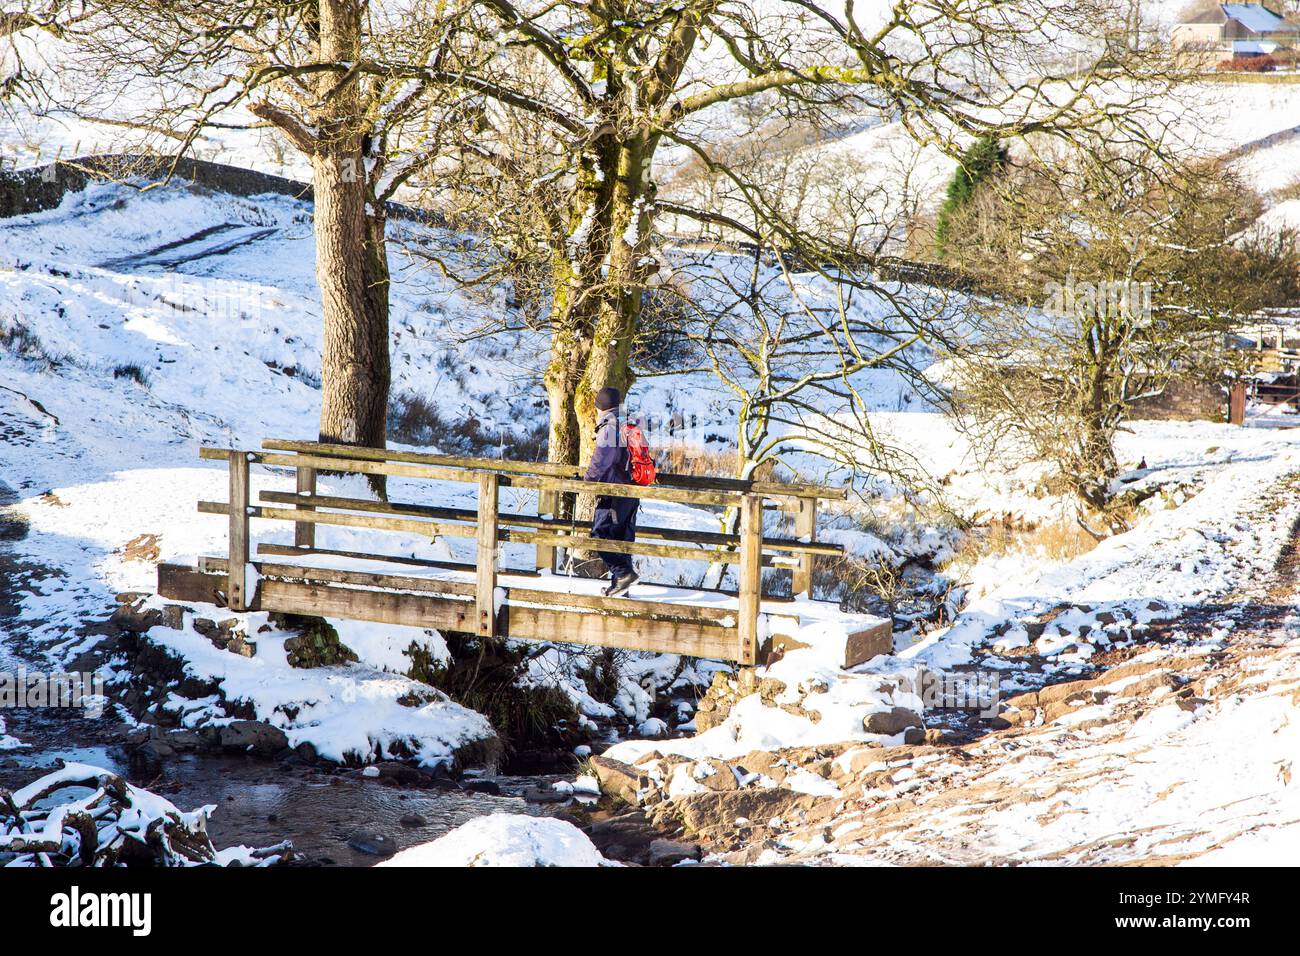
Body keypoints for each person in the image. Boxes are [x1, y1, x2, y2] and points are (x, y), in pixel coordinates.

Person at [585, 386, 640, 597]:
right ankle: (621, 588)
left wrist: (587, 480)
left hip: (614, 491)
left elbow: (601, 460)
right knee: (621, 539)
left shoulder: (609, 427)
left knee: (600, 535)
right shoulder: (630, 423)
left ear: (601, 406)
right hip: (631, 490)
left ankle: (623, 574)